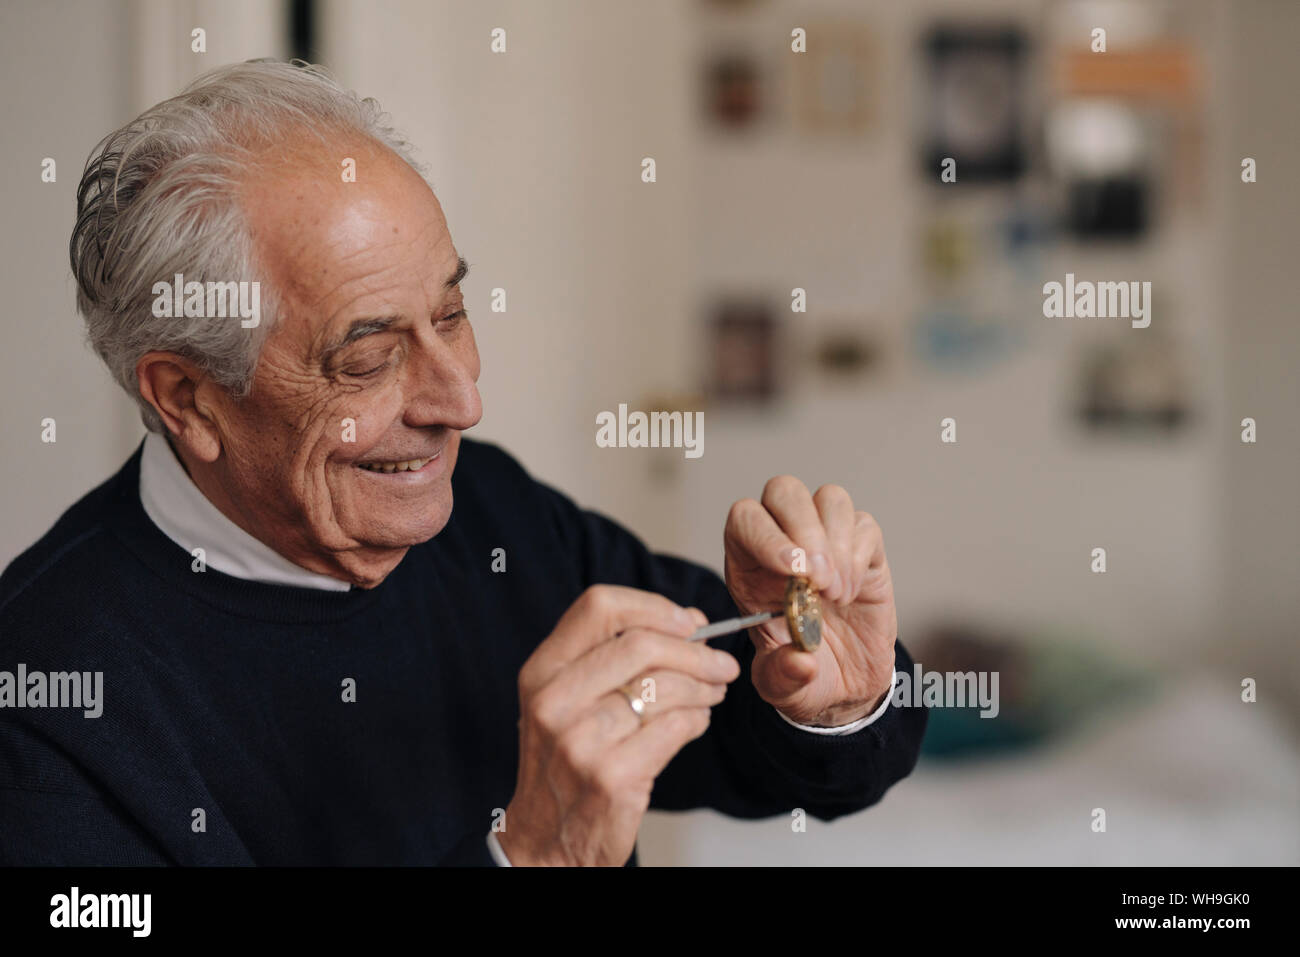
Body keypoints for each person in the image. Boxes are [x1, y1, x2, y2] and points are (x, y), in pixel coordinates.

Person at [0, 61, 925, 866]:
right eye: (366, 356)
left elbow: (795, 759)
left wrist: (839, 696)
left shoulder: (489, 512)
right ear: (190, 400)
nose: (461, 403)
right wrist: (532, 856)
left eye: (450, 314)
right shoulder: (46, 703)